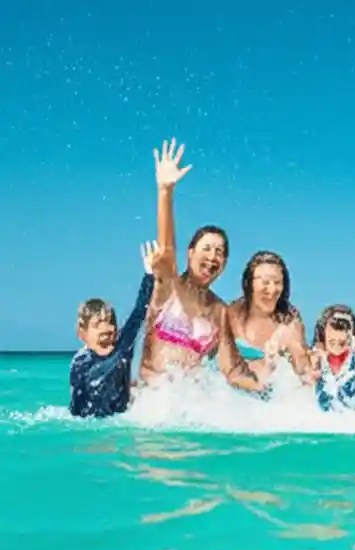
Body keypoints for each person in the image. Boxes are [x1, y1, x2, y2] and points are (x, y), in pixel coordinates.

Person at [138, 139, 263, 392]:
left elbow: (231, 368)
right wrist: (165, 191)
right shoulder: (167, 286)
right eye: (206, 248)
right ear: (190, 252)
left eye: (220, 252)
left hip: (191, 410)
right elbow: (166, 250)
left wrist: (277, 394)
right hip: (151, 405)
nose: (213, 256)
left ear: (224, 264)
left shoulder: (219, 311)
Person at [69, 241, 163, 418]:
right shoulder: (81, 362)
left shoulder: (123, 346)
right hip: (91, 424)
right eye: (98, 324)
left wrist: (149, 274)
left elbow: (138, 313)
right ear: (82, 333)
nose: (107, 327)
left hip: (119, 420)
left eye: (110, 322)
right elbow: (76, 407)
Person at [224, 251, 315, 386]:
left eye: (277, 282)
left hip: (267, 399)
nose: (272, 290)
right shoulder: (232, 314)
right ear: (249, 283)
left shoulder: (289, 323)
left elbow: (303, 369)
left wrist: (312, 367)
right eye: (265, 282)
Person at [312, 304, 355, 412]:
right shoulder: (317, 358)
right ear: (323, 338)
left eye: (342, 343)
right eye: (332, 343)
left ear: (352, 338)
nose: (337, 349)